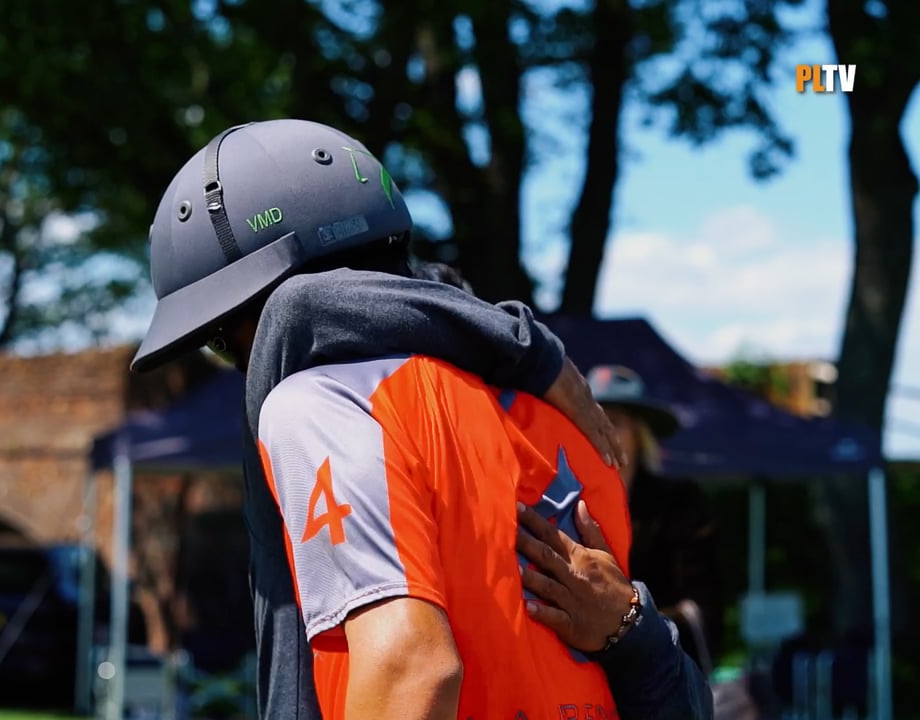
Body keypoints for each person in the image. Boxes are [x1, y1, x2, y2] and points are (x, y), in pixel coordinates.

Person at [131, 118, 711, 719]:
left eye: (222, 339)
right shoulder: (567, 419)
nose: (242, 368)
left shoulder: (316, 403)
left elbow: (411, 667)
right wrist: (632, 628)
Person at [587, 364, 724, 670]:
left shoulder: (680, 502)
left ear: (639, 435)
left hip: (662, 666)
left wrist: (629, 624)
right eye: (591, 420)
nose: (601, 432)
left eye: (614, 422)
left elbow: (704, 606)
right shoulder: (563, 501)